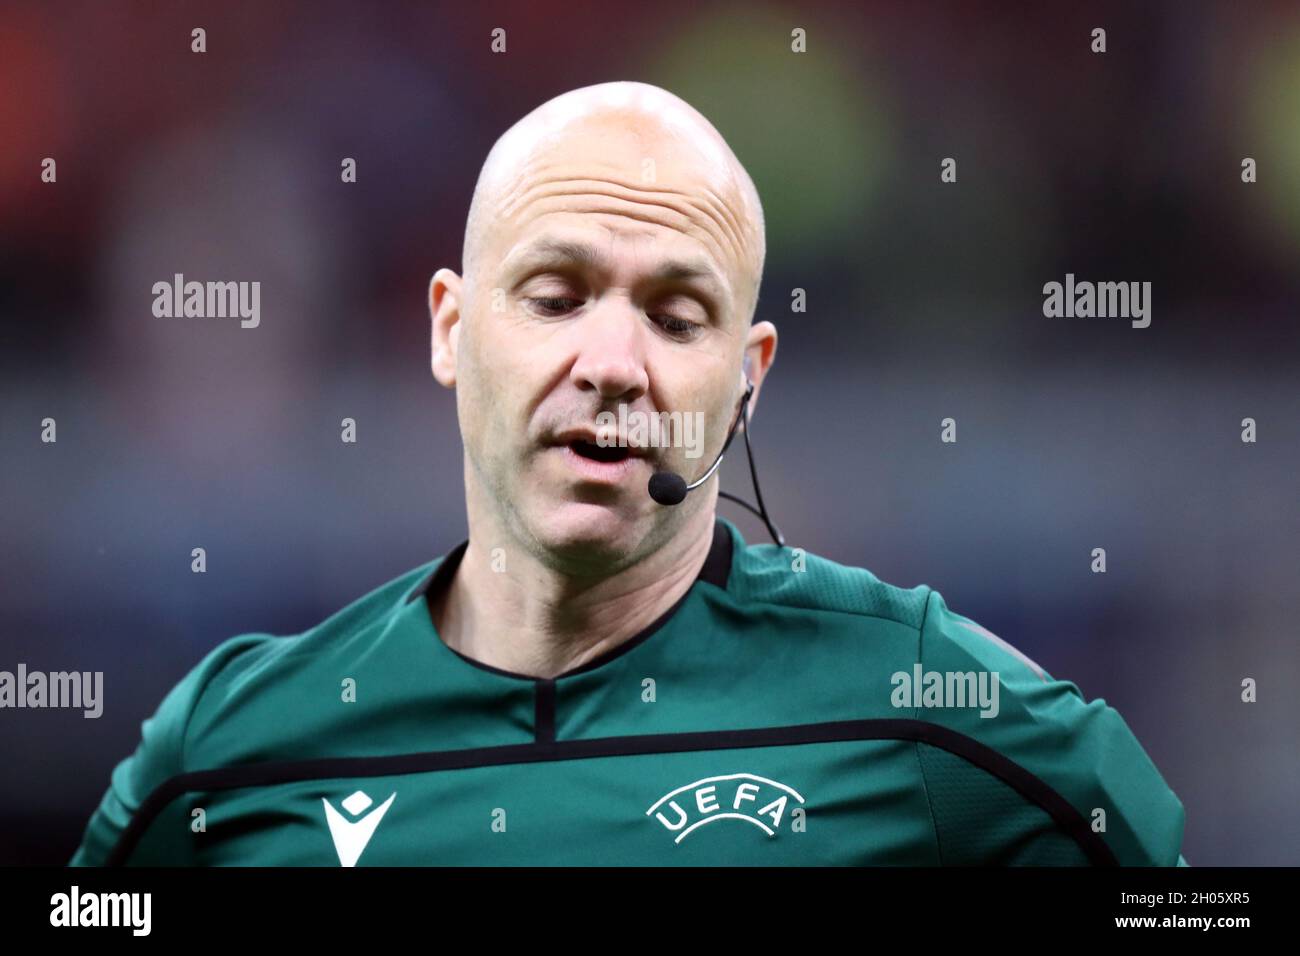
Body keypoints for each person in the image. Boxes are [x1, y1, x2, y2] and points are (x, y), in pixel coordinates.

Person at [70, 81, 1186, 866]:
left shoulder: (929, 706)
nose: (610, 365)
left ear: (745, 384)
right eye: (555, 295)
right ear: (451, 330)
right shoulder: (229, 747)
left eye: (675, 313)